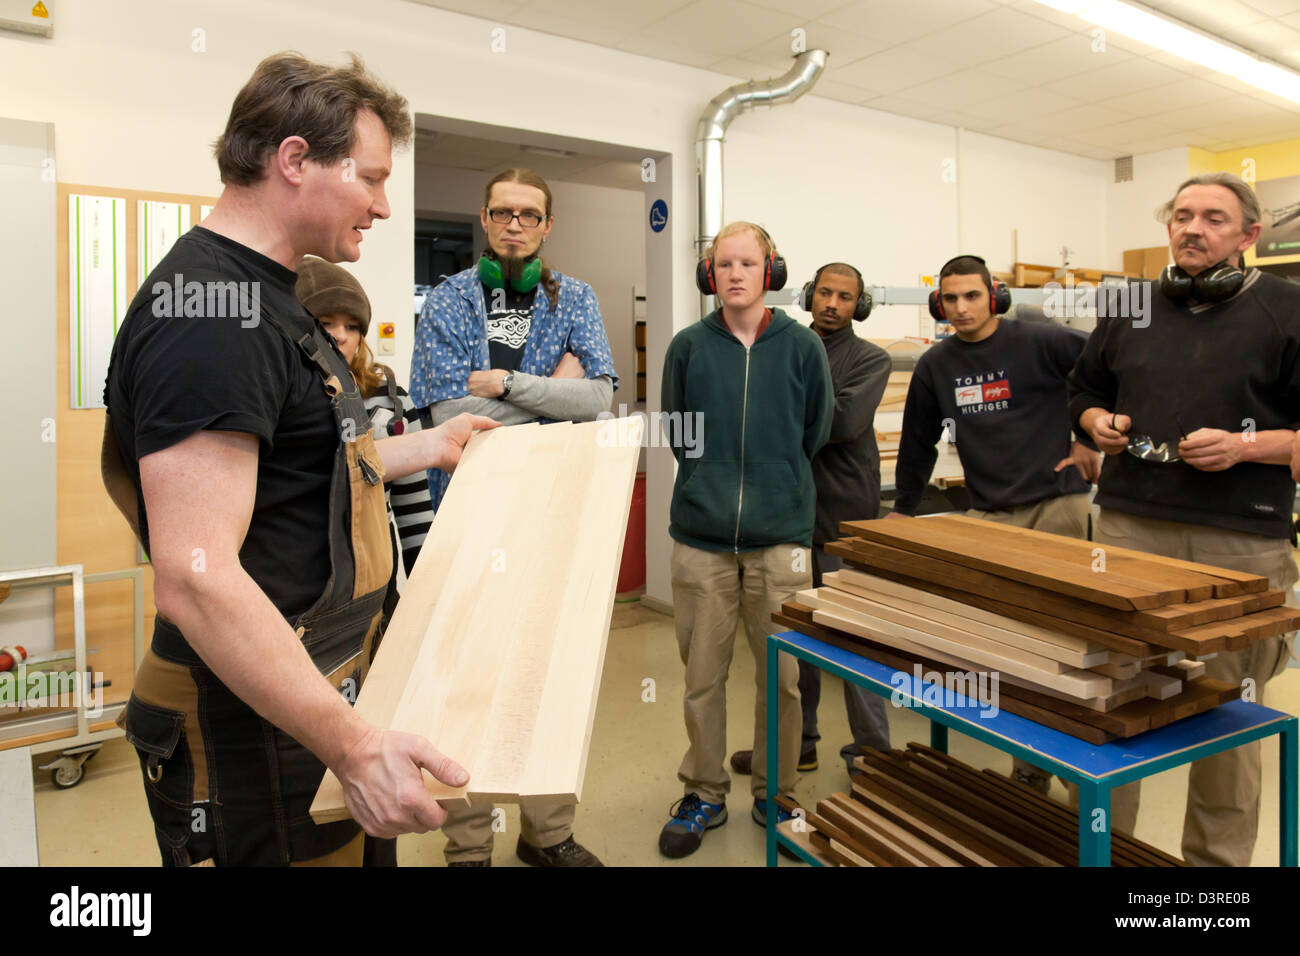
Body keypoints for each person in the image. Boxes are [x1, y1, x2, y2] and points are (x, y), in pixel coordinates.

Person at [101, 52, 496, 867]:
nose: (386, 206)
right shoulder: (214, 317)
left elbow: (294, 472)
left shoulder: (268, 294)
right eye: (372, 179)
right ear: (293, 160)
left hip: (303, 692)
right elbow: (197, 574)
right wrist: (353, 746)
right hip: (251, 721)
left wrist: (426, 445)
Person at [1069, 171, 1300, 866]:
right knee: (1114, 701)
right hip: (1128, 531)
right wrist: (1094, 422)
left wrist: (1246, 446)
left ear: (1249, 236)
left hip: (1241, 539)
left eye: (1214, 219)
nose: (1192, 228)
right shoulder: (1129, 304)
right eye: (1183, 215)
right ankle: (1113, 859)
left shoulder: (1289, 309)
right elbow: (1084, 387)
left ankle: (1214, 880)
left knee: (1231, 714)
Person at [408, 167, 618, 867]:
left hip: (558, 515)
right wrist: (554, 391)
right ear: (485, 220)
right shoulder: (448, 300)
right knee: (463, 679)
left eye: (530, 215)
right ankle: (468, 846)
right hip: (465, 518)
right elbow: (444, 416)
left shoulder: (577, 299)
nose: (516, 225)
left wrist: (502, 386)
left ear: (547, 225)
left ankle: (547, 835)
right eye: (504, 213)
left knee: (549, 671)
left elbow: (599, 402)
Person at [890, 254, 1100, 795]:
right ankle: (1030, 765)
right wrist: (902, 509)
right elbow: (917, 442)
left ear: (994, 296)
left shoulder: (1042, 341)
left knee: (1071, 646)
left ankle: (1084, 771)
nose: (961, 308)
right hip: (989, 517)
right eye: (950, 299)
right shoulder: (936, 365)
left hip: (1056, 505)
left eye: (972, 296)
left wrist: (1089, 439)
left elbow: (1107, 372)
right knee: (1010, 649)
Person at [657, 221, 833, 859]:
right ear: (710, 274)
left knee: (782, 678)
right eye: (723, 264)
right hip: (701, 539)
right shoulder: (687, 347)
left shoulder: (802, 347)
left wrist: (776, 483)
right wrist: (710, 483)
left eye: (747, 263)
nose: (735, 274)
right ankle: (704, 792)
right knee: (702, 675)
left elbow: (814, 429)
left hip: (783, 538)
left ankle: (776, 792)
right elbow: (680, 434)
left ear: (771, 272)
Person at [295, 257, 435, 868]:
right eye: (325, 323)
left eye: (351, 326)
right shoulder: (293, 396)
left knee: (378, 725)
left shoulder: (384, 394)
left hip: (379, 592)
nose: (340, 337)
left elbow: (409, 499)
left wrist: (426, 574)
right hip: (314, 599)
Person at [729, 262, 893, 778]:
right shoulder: (781, 344)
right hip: (787, 516)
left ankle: (873, 754)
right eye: (825, 292)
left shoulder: (871, 359)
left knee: (857, 641)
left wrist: (778, 411)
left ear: (858, 305)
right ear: (809, 294)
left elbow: (843, 422)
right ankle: (798, 743)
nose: (833, 304)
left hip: (844, 517)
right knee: (798, 640)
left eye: (846, 296)